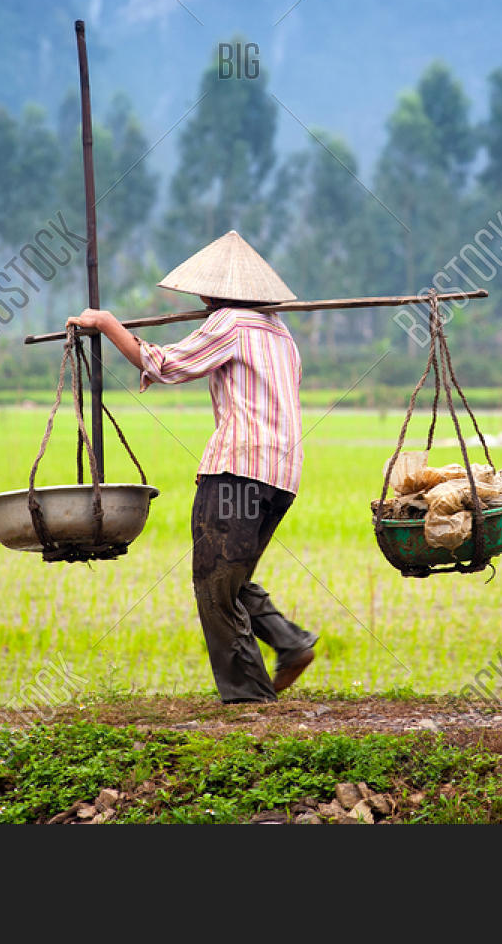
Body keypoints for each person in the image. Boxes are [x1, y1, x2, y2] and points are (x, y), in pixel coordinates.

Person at [67, 230, 317, 703]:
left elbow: (161, 364)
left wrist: (106, 323)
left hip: (237, 470)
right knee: (232, 574)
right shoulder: (280, 332)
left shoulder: (229, 323)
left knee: (214, 582)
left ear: (212, 291)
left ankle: (248, 697)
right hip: (281, 476)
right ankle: (288, 641)